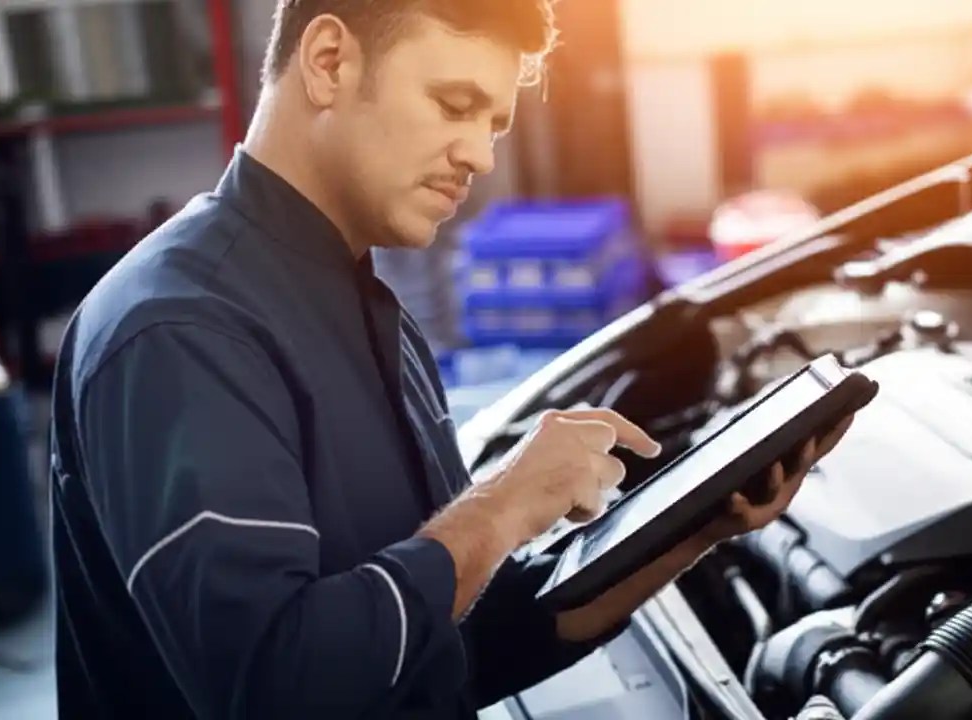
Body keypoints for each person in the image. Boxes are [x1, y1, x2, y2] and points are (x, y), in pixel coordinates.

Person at [48, 1, 854, 718]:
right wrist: (504, 504)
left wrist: (697, 522)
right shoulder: (178, 331)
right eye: (453, 105)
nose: (480, 156)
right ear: (329, 63)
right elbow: (275, 685)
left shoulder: (369, 312)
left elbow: (450, 647)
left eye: (493, 126)